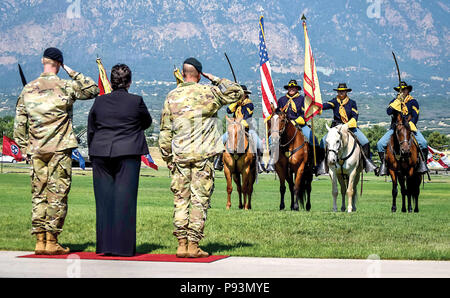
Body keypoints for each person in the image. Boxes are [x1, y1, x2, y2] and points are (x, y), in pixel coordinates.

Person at [13, 47, 99, 255]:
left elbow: (19, 124)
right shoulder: (66, 85)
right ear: (58, 64)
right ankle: (52, 240)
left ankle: (39, 241)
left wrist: (24, 147)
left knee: (38, 194)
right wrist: (71, 71)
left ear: (43, 62)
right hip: (59, 149)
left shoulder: (29, 89)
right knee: (57, 194)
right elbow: (93, 89)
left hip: (36, 150)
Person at [159, 57, 243, 258]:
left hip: (179, 157)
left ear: (183, 72)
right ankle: (193, 245)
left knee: (181, 199)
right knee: (199, 200)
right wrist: (214, 79)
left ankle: (181, 244)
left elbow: (165, 132)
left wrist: (168, 157)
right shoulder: (209, 92)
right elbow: (237, 92)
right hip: (202, 157)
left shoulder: (172, 96)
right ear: (198, 73)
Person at [88, 64, 152, 257]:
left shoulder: (99, 102)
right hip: (128, 153)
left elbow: (92, 127)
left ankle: (105, 246)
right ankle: (123, 248)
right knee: (125, 200)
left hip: (101, 153)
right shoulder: (136, 101)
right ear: (129, 82)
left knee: (104, 201)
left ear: (112, 82)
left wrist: (95, 148)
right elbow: (146, 122)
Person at [317, 83, 377, 175]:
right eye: (339, 91)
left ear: (346, 92)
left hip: (350, 127)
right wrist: (316, 105)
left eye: (343, 91)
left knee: (365, 142)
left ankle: (367, 163)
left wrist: (347, 125)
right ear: (337, 92)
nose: (341, 93)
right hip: (336, 128)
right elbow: (325, 106)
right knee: (323, 141)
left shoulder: (352, 103)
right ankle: (322, 165)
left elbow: (355, 116)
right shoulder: (334, 101)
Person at [266, 79, 320, 173]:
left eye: (293, 87)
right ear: (288, 89)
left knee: (313, 138)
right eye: (290, 87)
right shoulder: (282, 100)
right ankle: (272, 161)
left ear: (297, 89)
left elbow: (305, 114)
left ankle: (315, 162)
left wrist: (296, 121)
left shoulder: (302, 99)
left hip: (299, 124)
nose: (291, 89)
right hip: (284, 126)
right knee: (271, 139)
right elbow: (278, 113)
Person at [376, 81, 428, 176]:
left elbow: (415, 115)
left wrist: (410, 124)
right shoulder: (394, 101)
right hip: (396, 128)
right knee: (380, 144)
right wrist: (397, 101)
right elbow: (389, 112)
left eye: (404, 89)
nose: (402, 91)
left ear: (408, 90)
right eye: (400, 90)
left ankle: (423, 164)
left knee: (424, 143)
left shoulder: (413, 101)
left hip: (410, 127)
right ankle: (383, 165)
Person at [215, 85, 266, 173]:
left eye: (242, 94)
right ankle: (219, 161)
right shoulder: (236, 103)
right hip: (234, 128)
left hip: (247, 128)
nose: (241, 95)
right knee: (221, 140)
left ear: (246, 94)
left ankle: (259, 163)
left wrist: (239, 124)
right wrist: (235, 103)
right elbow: (228, 110)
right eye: (239, 94)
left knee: (259, 144)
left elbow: (247, 117)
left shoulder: (249, 104)